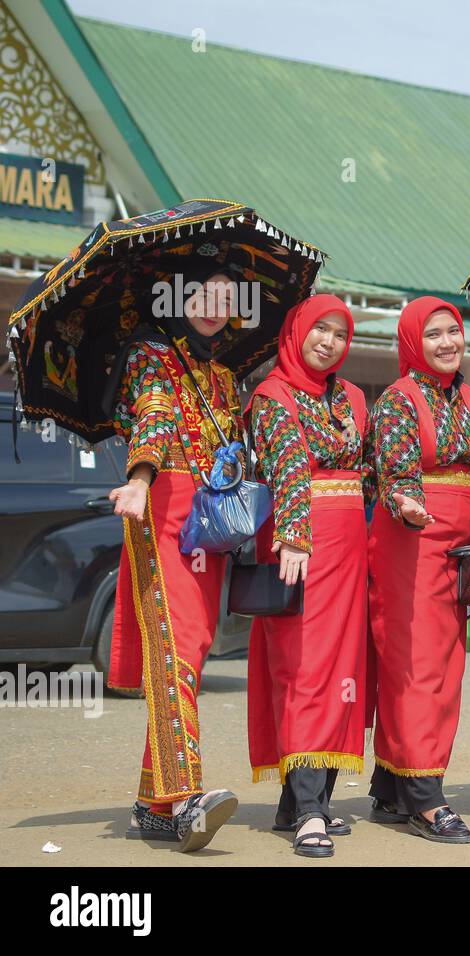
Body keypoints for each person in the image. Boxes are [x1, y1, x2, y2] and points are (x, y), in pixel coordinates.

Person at [105, 268, 244, 851]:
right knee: (177, 649)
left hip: (208, 526)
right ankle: (187, 798)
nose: (213, 305)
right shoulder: (151, 356)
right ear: (178, 298)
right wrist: (139, 479)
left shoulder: (226, 376)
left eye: (225, 297)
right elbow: (154, 416)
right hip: (160, 509)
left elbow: (229, 444)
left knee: (193, 645)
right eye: (202, 293)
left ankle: (150, 805)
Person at [245, 294, 369, 859]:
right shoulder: (272, 396)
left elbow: (362, 466)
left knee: (341, 667)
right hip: (303, 544)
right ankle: (310, 811)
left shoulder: (352, 397)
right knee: (305, 669)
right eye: (319, 329)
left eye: (340, 333)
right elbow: (288, 464)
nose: (329, 342)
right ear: (297, 332)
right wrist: (294, 533)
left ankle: (299, 803)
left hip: (350, 548)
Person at [366, 297, 470, 845]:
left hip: (458, 548)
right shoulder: (397, 400)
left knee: (446, 663)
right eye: (433, 334)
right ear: (413, 342)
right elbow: (395, 470)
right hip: (410, 539)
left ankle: (392, 787)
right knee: (415, 662)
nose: (445, 343)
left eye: (453, 332)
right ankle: (426, 797)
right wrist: (408, 502)